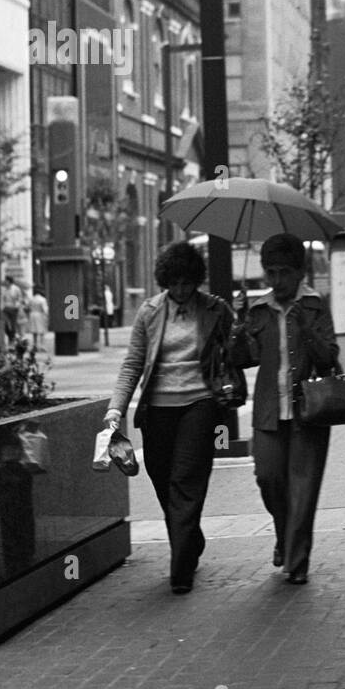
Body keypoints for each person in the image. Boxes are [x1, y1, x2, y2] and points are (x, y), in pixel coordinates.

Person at [105, 241, 236, 594]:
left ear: (196, 280)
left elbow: (239, 353)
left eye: (187, 283)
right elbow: (133, 364)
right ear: (165, 281)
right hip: (157, 409)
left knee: (185, 480)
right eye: (174, 283)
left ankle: (181, 567)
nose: (181, 290)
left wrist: (237, 326)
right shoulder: (149, 312)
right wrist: (116, 409)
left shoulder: (214, 309)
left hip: (200, 403)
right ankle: (191, 540)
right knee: (163, 480)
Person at [229, 233, 340, 586]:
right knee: (268, 478)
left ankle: (297, 562)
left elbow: (329, 357)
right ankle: (284, 535)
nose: (276, 280)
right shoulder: (259, 309)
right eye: (270, 272)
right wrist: (238, 327)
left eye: (284, 273)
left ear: (299, 273)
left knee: (303, 490)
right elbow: (243, 359)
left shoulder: (315, 306)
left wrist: (307, 329)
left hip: (309, 411)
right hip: (268, 411)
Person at [1, 275, 24, 342]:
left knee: (13, 325)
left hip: (13, 308)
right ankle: (10, 336)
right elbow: (2, 299)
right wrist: (2, 307)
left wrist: (17, 305)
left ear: (9, 281)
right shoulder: (4, 289)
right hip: (6, 308)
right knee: (5, 324)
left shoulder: (16, 289)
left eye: (6, 280)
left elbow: (20, 298)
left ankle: (12, 339)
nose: (5, 282)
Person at [27, 285, 49, 350]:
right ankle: (42, 345)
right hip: (40, 315)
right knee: (42, 331)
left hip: (32, 315)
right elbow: (45, 309)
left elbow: (27, 307)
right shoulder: (42, 299)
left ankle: (35, 345)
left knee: (34, 331)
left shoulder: (31, 299)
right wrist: (47, 316)